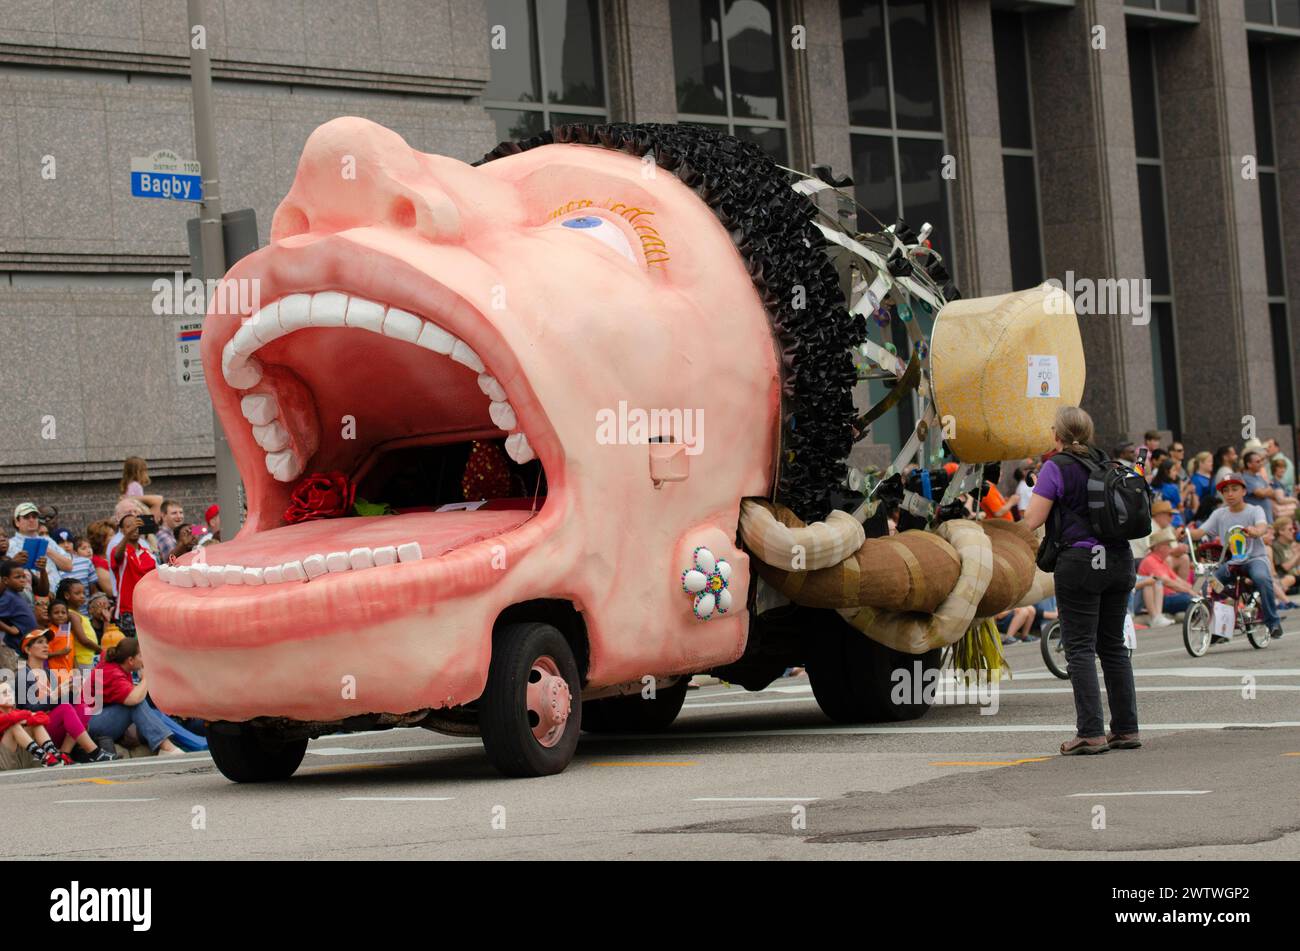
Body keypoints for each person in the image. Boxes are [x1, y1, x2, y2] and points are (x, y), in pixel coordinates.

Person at [1022, 406, 1139, 755]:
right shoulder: (1108, 463)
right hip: (1118, 560)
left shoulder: (1056, 467)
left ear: (1056, 435)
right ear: (1088, 434)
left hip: (1081, 561)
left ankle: (1090, 732)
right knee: (1113, 646)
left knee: (1080, 649)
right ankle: (1126, 729)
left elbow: (1031, 520)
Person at [1186, 476, 1284, 642]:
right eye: (1225, 491)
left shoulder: (1255, 510)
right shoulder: (1219, 514)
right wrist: (1185, 532)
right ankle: (1219, 628)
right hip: (1232, 562)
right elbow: (1200, 532)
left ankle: (1273, 622)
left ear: (1244, 491)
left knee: (1262, 578)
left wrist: (1256, 531)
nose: (1229, 494)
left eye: (1234, 489)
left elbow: (1262, 526)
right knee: (1212, 584)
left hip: (1255, 559)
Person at [16, 631, 117, 762]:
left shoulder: (48, 673)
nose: (46, 646)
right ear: (28, 649)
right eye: (40, 642)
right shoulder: (23, 674)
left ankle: (65, 754)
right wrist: (56, 694)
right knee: (65, 708)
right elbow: (28, 710)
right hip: (35, 731)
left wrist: (72, 691)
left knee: (83, 708)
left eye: (46, 642)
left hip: (52, 726)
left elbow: (60, 703)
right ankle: (95, 753)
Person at [86, 638, 183, 756]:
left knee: (145, 705)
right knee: (136, 703)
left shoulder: (117, 666)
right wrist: (147, 677)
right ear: (130, 660)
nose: (145, 659)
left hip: (99, 717)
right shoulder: (112, 673)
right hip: (89, 724)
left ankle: (171, 746)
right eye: (141, 656)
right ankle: (166, 747)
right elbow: (134, 699)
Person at [108, 513, 156, 636]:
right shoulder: (119, 550)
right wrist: (128, 535)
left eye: (136, 524)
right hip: (127, 610)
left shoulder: (148, 553)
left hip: (147, 608)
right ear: (122, 530)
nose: (134, 528)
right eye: (129, 526)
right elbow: (117, 557)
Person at [0, 681, 66, 767]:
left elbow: (44, 718)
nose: (9, 694)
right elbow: (11, 718)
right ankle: (44, 757)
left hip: (19, 758)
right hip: (3, 762)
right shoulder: (12, 714)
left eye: (11, 691)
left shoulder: (16, 712)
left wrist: (26, 721)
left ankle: (54, 754)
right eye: (4, 693)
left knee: (35, 724)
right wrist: (28, 715)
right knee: (14, 726)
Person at [7, 502, 71, 589]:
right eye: (26, 517)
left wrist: (47, 550)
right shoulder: (10, 545)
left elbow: (68, 566)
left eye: (34, 516)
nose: (31, 520)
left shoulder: (48, 540)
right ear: (17, 522)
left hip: (58, 593)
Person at [1137, 528, 1196, 618]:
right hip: (1159, 600)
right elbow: (1166, 581)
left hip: (1167, 597)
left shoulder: (1162, 562)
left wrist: (1193, 589)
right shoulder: (1150, 560)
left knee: (1194, 598)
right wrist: (1189, 591)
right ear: (1158, 547)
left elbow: (1177, 579)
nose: (1170, 547)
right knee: (1189, 599)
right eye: (1167, 544)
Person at [56, 578, 99, 674]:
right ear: (67, 595)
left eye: (83, 593)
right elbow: (83, 640)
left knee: (91, 687)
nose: (82, 596)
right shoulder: (72, 615)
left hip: (87, 658)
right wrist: (100, 650)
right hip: (82, 659)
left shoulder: (77, 614)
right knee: (87, 688)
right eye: (77, 593)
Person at [0, 559, 39, 652]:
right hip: (17, 648)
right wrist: (9, 629)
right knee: (19, 666)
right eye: (18, 577)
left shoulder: (16, 594)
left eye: (24, 577)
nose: (22, 580)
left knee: (27, 666)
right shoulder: (8, 597)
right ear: (5, 580)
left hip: (27, 647)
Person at [43, 599, 77, 686]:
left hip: (70, 675)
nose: (60, 615)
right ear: (49, 616)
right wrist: (60, 652)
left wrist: (76, 672)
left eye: (63, 612)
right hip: (55, 676)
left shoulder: (68, 631)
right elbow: (44, 654)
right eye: (56, 613)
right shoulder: (49, 633)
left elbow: (73, 655)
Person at [1240, 450, 1280, 523]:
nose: (1261, 464)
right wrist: (1266, 491)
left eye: (1261, 461)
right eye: (1258, 462)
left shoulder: (1259, 477)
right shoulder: (1245, 478)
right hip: (1256, 521)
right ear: (1249, 464)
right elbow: (1260, 493)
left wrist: (1265, 491)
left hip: (1268, 518)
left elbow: (1272, 493)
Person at [1272, 516, 1300, 599]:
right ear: (1281, 531)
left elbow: (1297, 568)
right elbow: (1284, 568)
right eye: (1290, 529)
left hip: (1295, 578)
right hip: (1284, 579)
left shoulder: (1291, 544)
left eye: (1293, 529)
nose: (1294, 531)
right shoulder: (1276, 546)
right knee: (1290, 579)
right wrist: (1298, 553)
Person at [1150, 460, 1184, 526]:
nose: (1176, 473)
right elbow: (1181, 508)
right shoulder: (1173, 488)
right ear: (1166, 472)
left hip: (1155, 520)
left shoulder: (1151, 486)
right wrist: (1181, 489)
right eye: (1174, 470)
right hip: (1173, 521)